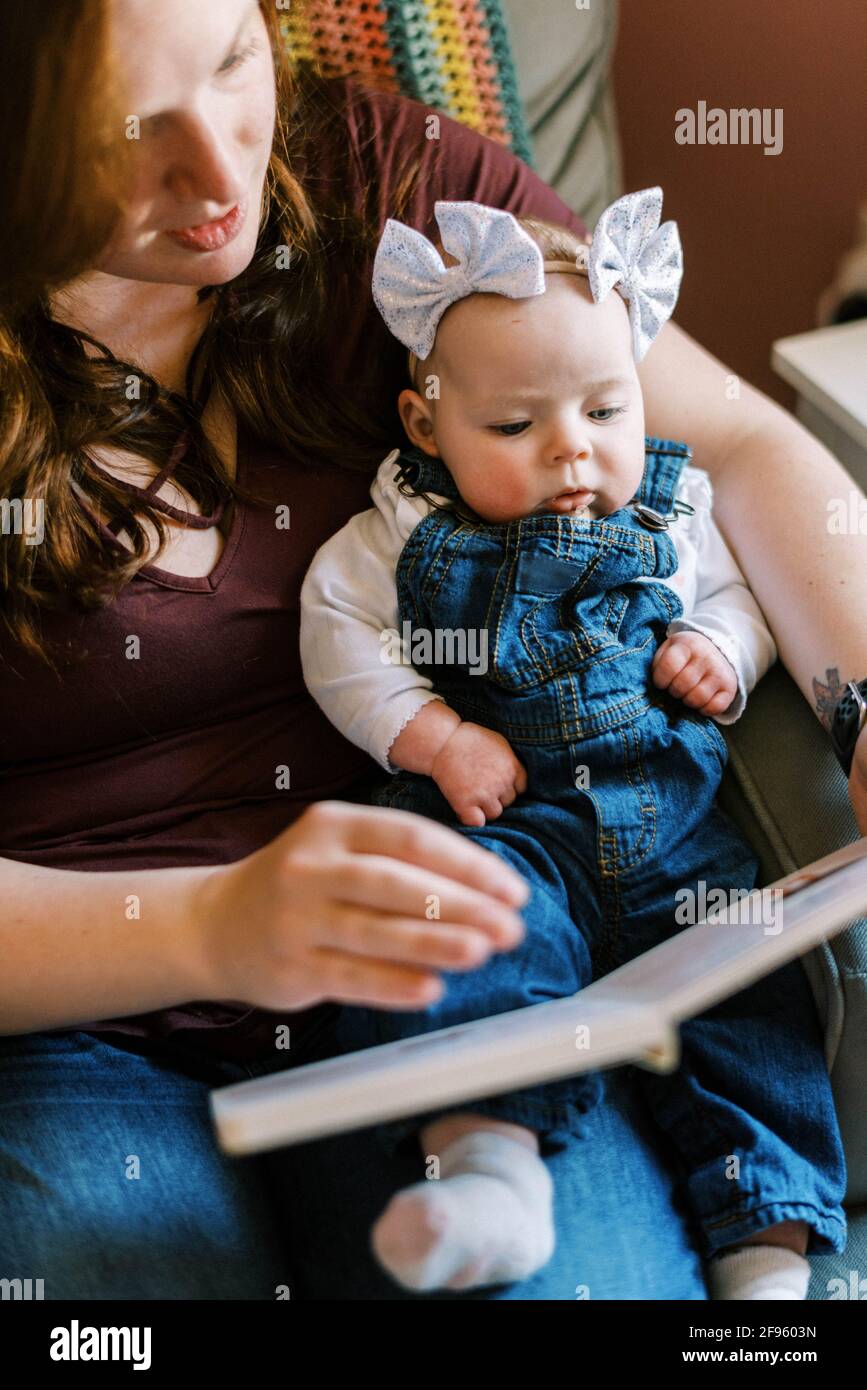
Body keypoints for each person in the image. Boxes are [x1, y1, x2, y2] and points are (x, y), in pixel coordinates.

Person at [0, 0, 864, 1301]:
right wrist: (214, 924)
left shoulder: (394, 198)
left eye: (231, 61)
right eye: (123, 133)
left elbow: (729, 443)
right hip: (78, 1010)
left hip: (462, 943)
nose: (224, 173)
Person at [298, 194, 847, 1296]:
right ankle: (489, 1172)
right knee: (461, 945)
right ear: (425, 424)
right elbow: (334, 634)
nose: (574, 453)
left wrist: (719, 648)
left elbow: (738, 592)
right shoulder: (402, 535)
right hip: (516, 835)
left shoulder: (668, 507)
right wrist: (437, 733)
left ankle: (768, 1254)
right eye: (514, 428)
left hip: (680, 843)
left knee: (755, 1018)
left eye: (607, 409)